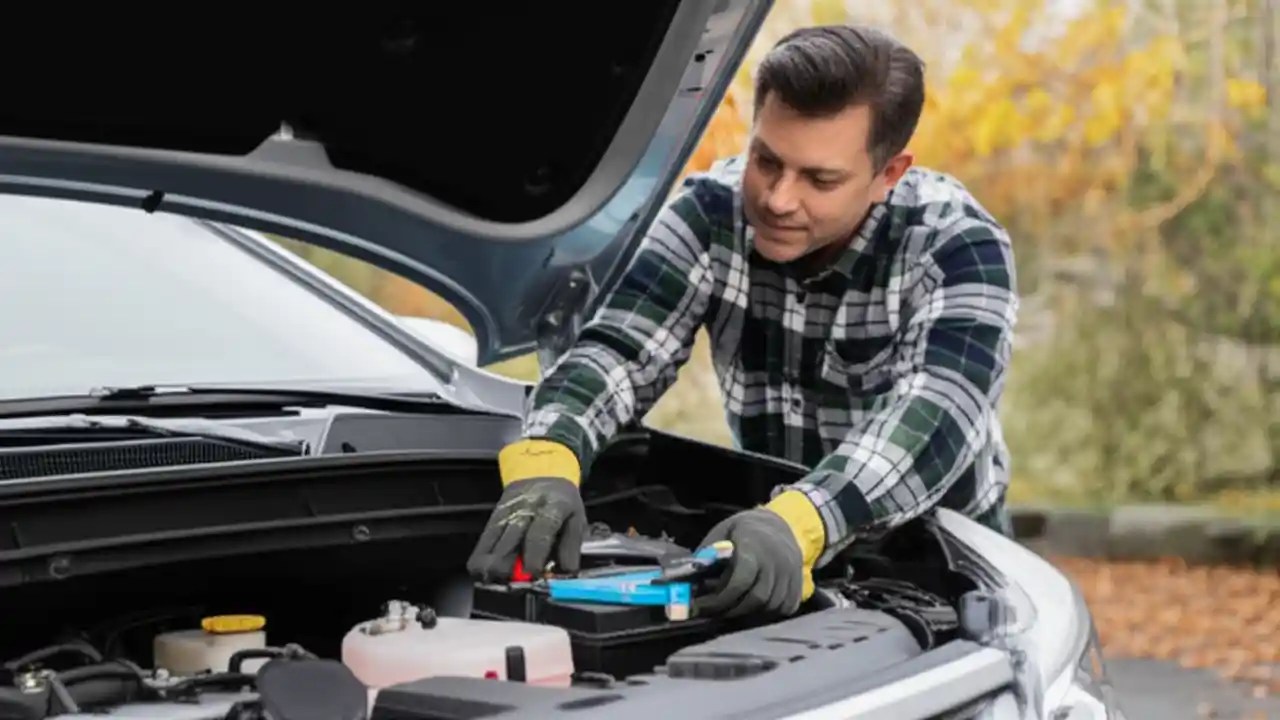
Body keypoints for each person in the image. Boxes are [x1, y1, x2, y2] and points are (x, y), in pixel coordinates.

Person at [466, 24, 1019, 619]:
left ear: (889, 173)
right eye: (766, 160)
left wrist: (801, 520)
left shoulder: (958, 246)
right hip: (768, 541)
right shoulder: (710, 213)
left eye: (819, 179)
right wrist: (548, 457)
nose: (778, 199)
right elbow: (619, 351)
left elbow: (937, 413)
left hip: (940, 564)